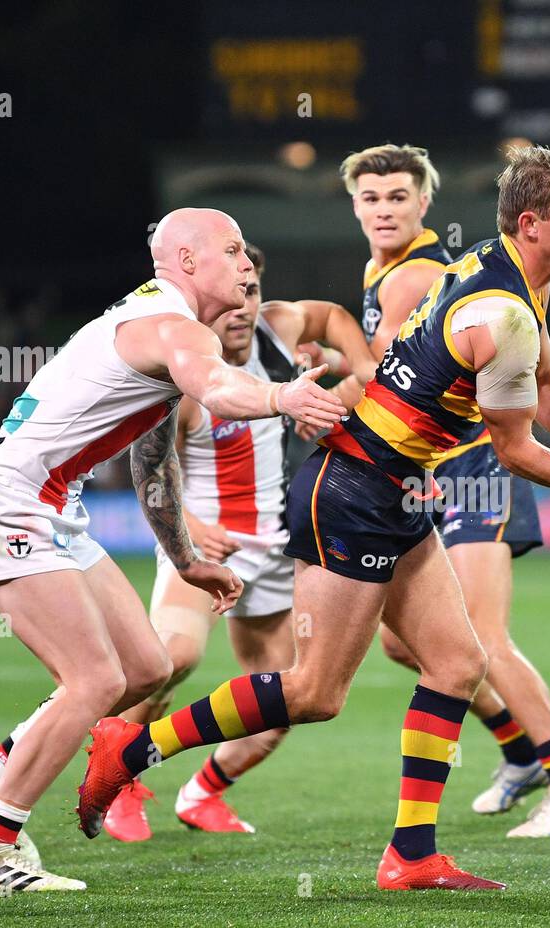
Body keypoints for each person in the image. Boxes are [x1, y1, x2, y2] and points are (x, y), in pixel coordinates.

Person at [77, 147, 550, 891]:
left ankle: (411, 853)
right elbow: (515, 449)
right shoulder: (502, 315)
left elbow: (546, 379)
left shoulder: (499, 270)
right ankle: (130, 747)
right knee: (313, 693)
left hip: (396, 486)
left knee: (459, 662)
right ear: (532, 225)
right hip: (355, 492)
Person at [0, 209, 343, 892]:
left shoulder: (157, 327)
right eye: (233, 250)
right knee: (94, 680)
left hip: (51, 507)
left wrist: (185, 559)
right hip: (9, 505)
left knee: (147, 665)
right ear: (186, 261)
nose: (247, 265)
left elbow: (153, 466)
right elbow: (217, 387)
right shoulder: (173, 328)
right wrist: (283, 394)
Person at [343, 143, 550, 837]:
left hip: (475, 469)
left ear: (423, 203)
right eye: (370, 197)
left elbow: (533, 393)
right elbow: (541, 375)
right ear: (529, 224)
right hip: (438, 471)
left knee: (480, 637)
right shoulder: (491, 276)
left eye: (396, 196)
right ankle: (519, 748)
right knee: (408, 644)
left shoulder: (449, 278)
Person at [100, 244, 379, 841]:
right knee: (175, 658)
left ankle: (202, 793)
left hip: (276, 548)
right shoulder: (184, 372)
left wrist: (360, 371)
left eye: (250, 293)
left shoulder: (277, 329)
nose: (241, 308)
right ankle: (119, 776)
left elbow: (330, 316)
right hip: (206, 546)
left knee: (286, 702)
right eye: (228, 297)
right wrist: (189, 530)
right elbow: (148, 469)